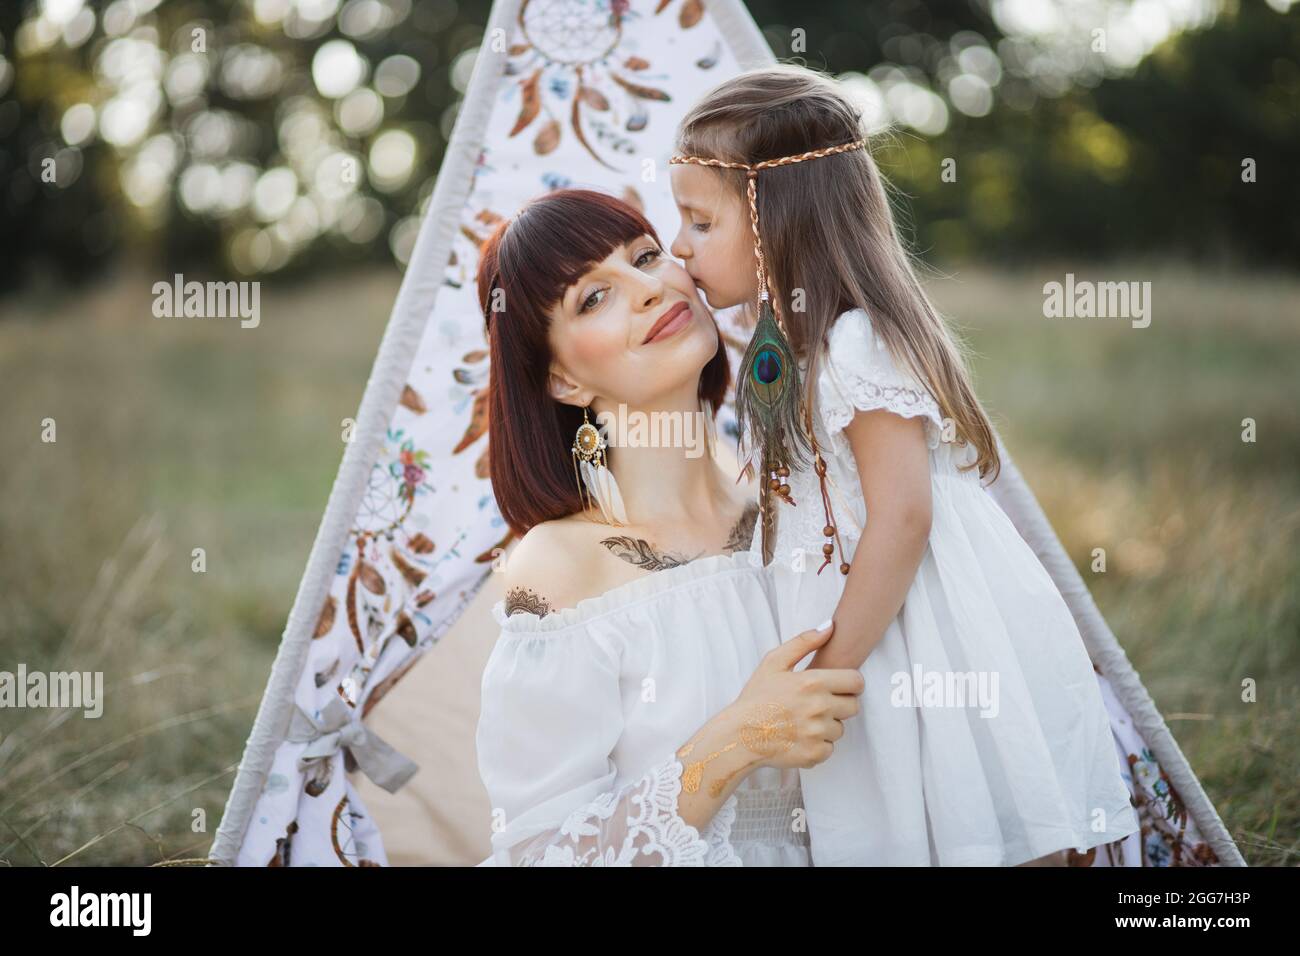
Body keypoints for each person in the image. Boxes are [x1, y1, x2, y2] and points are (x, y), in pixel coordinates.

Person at [666, 64, 1140, 866]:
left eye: (698, 222)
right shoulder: (781, 347)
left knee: (962, 799)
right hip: (858, 630)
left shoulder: (855, 344)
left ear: (774, 217)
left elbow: (904, 514)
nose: (678, 244)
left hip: (913, 634)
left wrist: (828, 674)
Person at [472, 187, 864, 866]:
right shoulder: (559, 570)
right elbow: (539, 854)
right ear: (562, 379)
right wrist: (737, 740)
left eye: (647, 256)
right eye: (592, 298)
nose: (647, 289)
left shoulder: (805, 500)